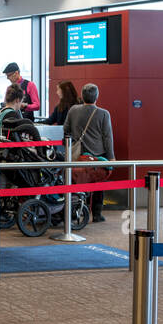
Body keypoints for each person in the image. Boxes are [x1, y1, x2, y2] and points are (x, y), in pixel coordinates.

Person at [64, 82, 115, 223]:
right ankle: (97, 214)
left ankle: (76, 211)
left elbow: (66, 129)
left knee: (76, 183)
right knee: (98, 185)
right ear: (97, 97)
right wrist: (111, 158)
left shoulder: (73, 110)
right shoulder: (104, 114)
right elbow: (107, 137)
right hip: (97, 158)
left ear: (82, 96)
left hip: (77, 156)